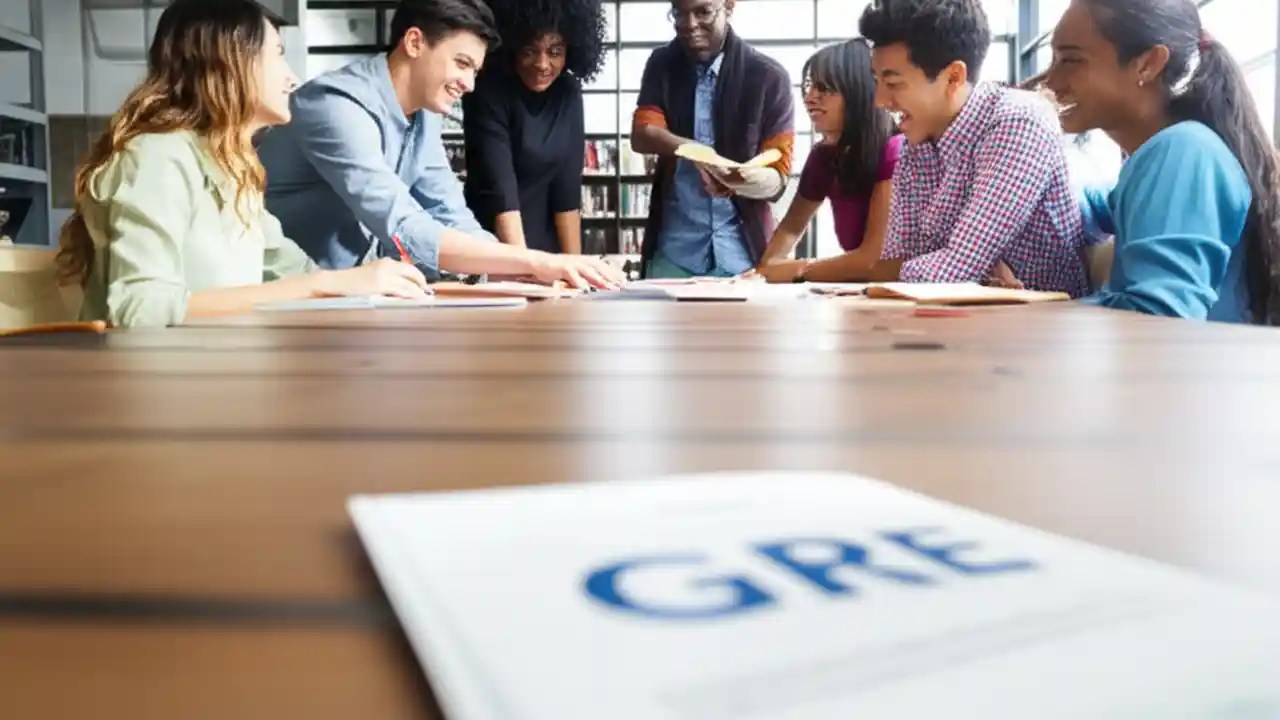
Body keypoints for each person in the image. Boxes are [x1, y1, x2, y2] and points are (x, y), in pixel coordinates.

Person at [54, 0, 429, 329]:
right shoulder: (157, 157)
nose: (292, 79)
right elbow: (139, 309)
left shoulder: (234, 167)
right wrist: (323, 285)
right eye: (277, 54)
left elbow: (298, 273)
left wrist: (366, 284)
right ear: (230, 62)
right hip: (144, 380)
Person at [257, 0, 622, 290]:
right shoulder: (334, 104)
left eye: (474, 71)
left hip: (354, 297)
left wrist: (526, 273)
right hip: (288, 297)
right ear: (415, 42)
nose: (470, 84)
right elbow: (403, 225)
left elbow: (449, 211)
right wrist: (537, 262)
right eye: (461, 63)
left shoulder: (424, 115)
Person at [1045, 0, 1280, 323]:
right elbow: (1089, 205)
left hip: (1179, 355)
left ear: (1148, 64)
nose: (1051, 81)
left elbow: (1161, 316)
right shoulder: (1169, 153)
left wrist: (1028, 313)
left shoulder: (1182, 151)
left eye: (1071, 60)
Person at [838, 0, 1088, 295]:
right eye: (877, 81)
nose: (880, 100)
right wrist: (952, 269)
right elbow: (895, 265)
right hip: (950, 316)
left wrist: (951, 268)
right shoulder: (915, 146)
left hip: (1043, 320)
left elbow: (954, 269)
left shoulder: (1019, 121)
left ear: (953, 77)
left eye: (893, 83)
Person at [631, 0, 795, 278]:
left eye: (703, 12)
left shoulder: (769, 77)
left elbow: (778, 178)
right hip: (674, 253)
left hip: (744, 258)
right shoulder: (662, 64)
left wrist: (741, 179)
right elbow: (643, 133)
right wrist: (693, 150)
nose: (689, 24)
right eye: (679, 13)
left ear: (728, 7)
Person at [749, 39, 904, 283]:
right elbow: (790, 230)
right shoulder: (823, 156)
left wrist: (798, 269)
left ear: (858, 92)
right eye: (809, 86)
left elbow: (872, 260)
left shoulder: (895, 150)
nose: (810, 97)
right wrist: (768, 268)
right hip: (858, 290)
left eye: (824, 88)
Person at [462, 0, 606, 255]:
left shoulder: (568, 92)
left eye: (555, 51)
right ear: (511, 47)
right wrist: (524, 267)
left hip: (545, 248)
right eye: (529, 50)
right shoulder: (486, 90)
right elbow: (500, 192)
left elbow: (567, 193)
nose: (542, 64)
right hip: (491, 247)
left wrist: (575, 267)